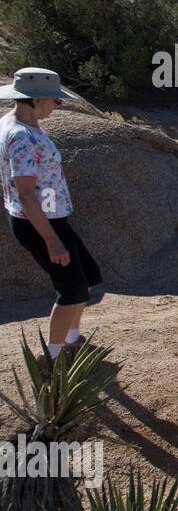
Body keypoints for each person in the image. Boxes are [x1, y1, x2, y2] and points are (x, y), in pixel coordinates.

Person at [1, 68, 101, 362]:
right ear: (35, 100)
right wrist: (52, 241)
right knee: (70, 290)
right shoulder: (21, 136)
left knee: (87, 277)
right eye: (54, 101)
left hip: (51, 219)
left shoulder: (21, 124)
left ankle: (72, 339)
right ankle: (53, 358)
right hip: (40, 224)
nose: (57, 106)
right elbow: (26, 194)